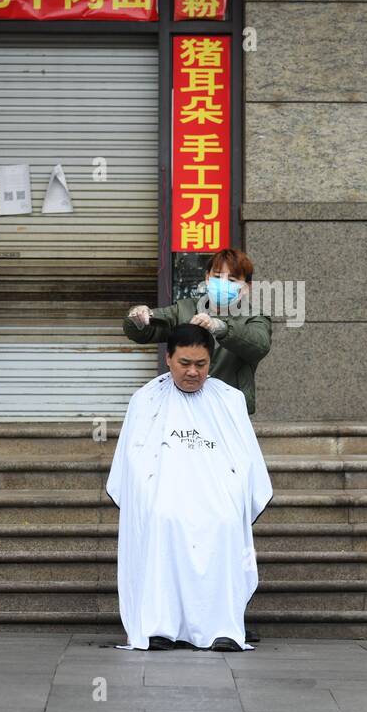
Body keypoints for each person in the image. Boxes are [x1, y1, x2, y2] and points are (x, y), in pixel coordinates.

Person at [106, 323, 273, 652]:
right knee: (160, 517)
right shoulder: (145, 400)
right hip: (163, 495)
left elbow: (246, 460)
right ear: (168, 358)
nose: (193, 372)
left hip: (217, 497)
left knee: (225, 521)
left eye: (201, 364)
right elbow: (133, 461)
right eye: (185, 363)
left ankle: (222, 626)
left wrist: (233, 495)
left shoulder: (230, 400)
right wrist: (150, 496)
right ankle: (158, 626)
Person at [123, 247, 270, 415]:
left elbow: (260, 345)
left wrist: (220, 327)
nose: (222, 284)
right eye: (217, 277)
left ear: (246, 286)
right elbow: (143, 332)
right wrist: (137, 317)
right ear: (207, 278)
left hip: (227, 409)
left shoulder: (254, 317)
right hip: (182, 406)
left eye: (231, 279)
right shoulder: (184, 309)